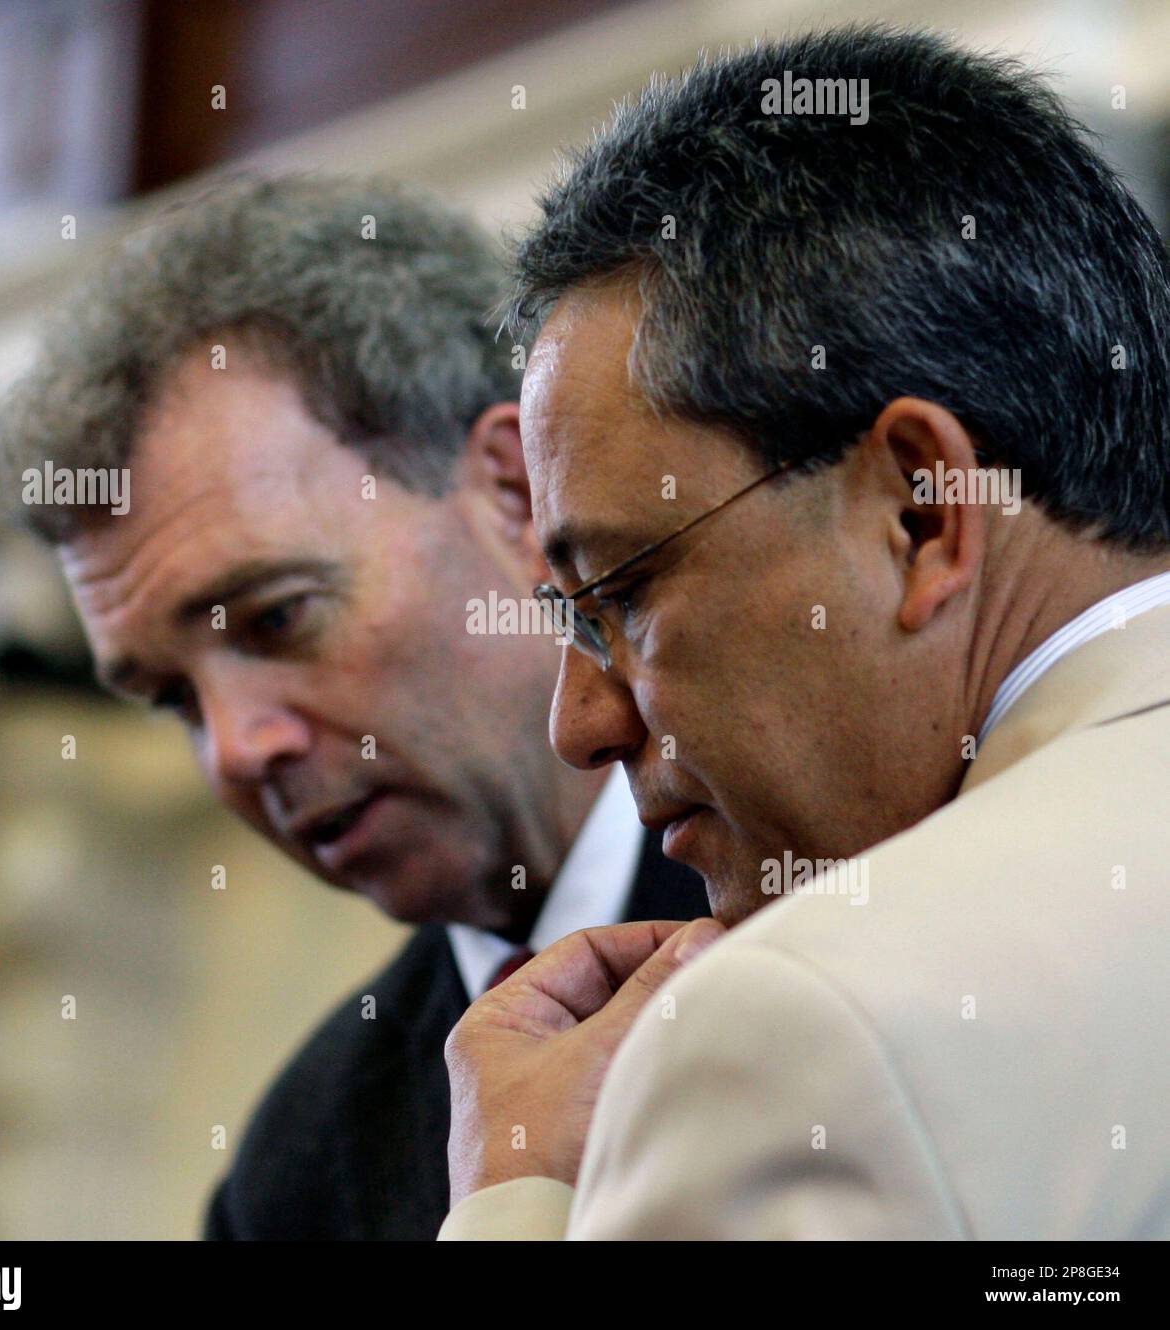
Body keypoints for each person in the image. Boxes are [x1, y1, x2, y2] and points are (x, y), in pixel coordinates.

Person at [440, 25, 1170, 1239]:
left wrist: (519, 1191)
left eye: (620, 590)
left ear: (921, 512)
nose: (578, 722)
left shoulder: (810, 1031)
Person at [0, 176, 707, 1240]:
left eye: (276, 618)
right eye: (172, 699)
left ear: (514, 493)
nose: (237, 748)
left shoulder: (855, 887)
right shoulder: (292, 1179)